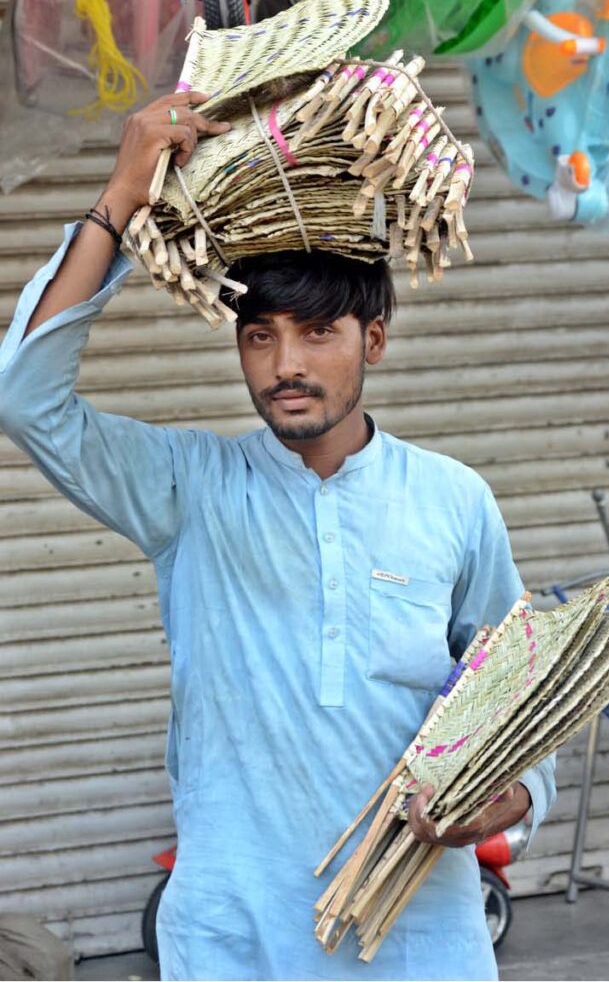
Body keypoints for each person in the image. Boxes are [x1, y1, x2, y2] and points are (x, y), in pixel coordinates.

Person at [0, 93, 556, 982]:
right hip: (235, 937)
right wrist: (119, 197)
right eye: (260, 337)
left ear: (373, 338)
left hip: (419, 931)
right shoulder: (190, 489)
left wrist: (510, 798)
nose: (286, 365)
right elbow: (25, 399)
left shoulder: (454, 500)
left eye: (317, 332)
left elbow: (525, 706)